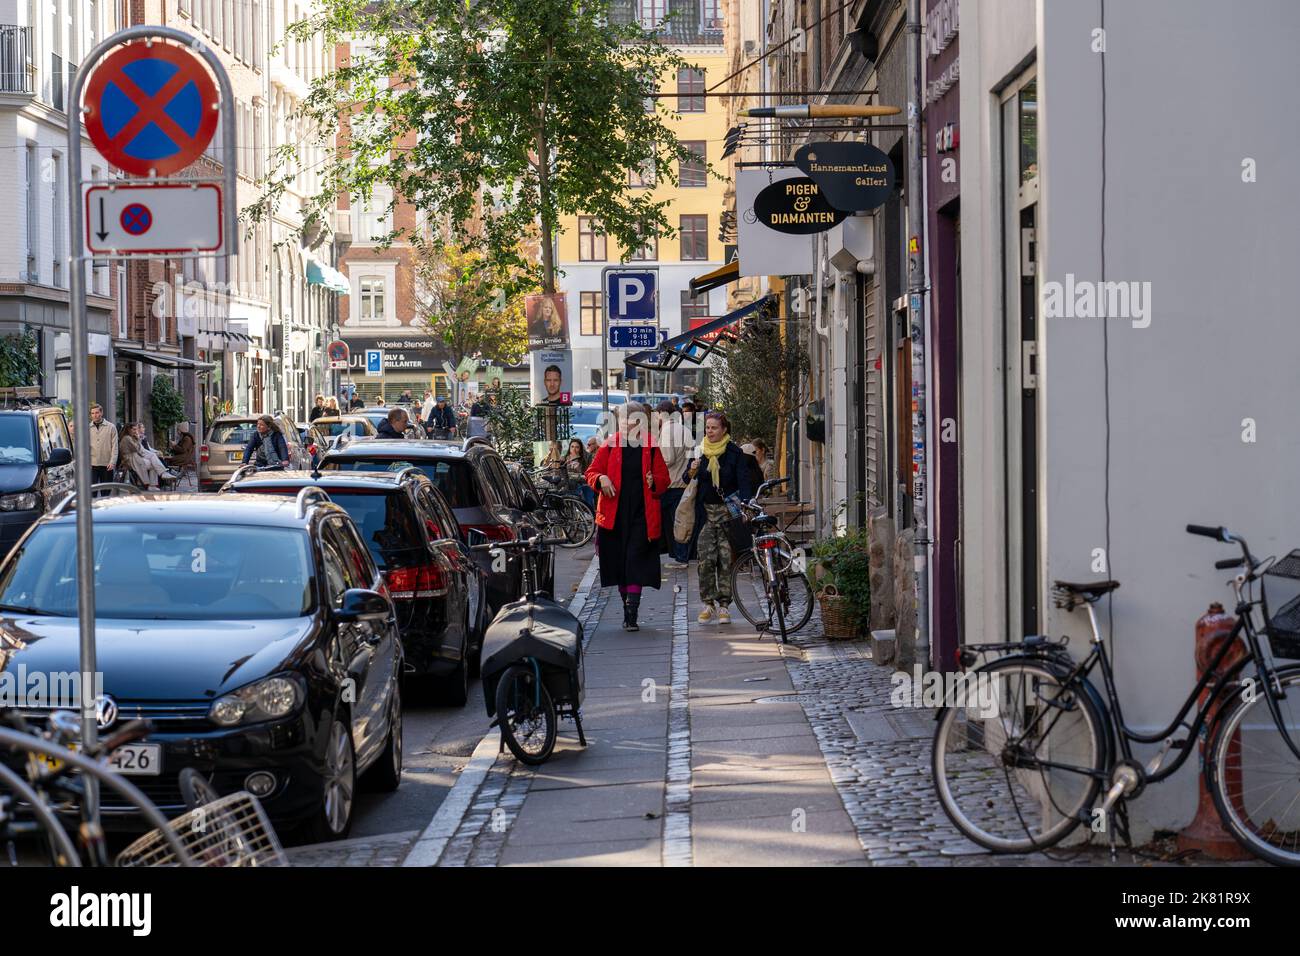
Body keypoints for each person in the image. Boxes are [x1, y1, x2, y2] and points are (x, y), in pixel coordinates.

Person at [585, 402, 671, 632]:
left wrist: (655, 482)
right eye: (623, 420)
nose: (626, 424)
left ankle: (632, 613)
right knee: (620, 563)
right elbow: (591, 473)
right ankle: (626, 609)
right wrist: (601, 479)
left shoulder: (651, 446)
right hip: (614, 514)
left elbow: (665, 480)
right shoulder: (610, 445)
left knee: (634, 559)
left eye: (631, 420)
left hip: (642, 514)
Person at [686, 411, 753, 624]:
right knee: (705, 562)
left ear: (724, 429)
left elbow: (743, 482)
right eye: (707, 428)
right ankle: (708, 603)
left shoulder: (734, 453)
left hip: (727, 515)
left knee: (725, 561)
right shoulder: (699, 452)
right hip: (705, 514)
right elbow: (685, 477)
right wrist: (692, 471)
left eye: (714, 428)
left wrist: (746, 505)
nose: (710, 431)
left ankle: (724, 606)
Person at [654, 400, 691, 570]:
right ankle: (678, 555)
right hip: (682, 481)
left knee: (673, 522)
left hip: (671, 483)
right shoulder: (683, 428)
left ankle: (680, 557)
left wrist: (653, 466)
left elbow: (668, 458)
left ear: (662, 413)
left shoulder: (668, 430)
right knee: (680, 521)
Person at [120, 423, 175, 488]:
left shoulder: (131, 437)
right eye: (134, 429)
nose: (135, 431)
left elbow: (140, 450)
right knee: (153, 460)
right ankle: (158, 479)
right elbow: (138, 449)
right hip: (130, 460)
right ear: (128, 429)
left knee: (153, 462)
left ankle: (153, 484)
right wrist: (138, 439)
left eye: (136, 429)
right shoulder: (127, 438)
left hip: (135, 458)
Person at [88, 403, 118, 485]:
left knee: (106, 490)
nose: (95, 415)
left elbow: (115, 446)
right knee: (91, 491)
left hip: (107, 464)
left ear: (101, 413)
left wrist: (113, 462)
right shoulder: (87, 428)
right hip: (92, 464)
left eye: (97, 413)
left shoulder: (111, 427)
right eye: (92, 413)